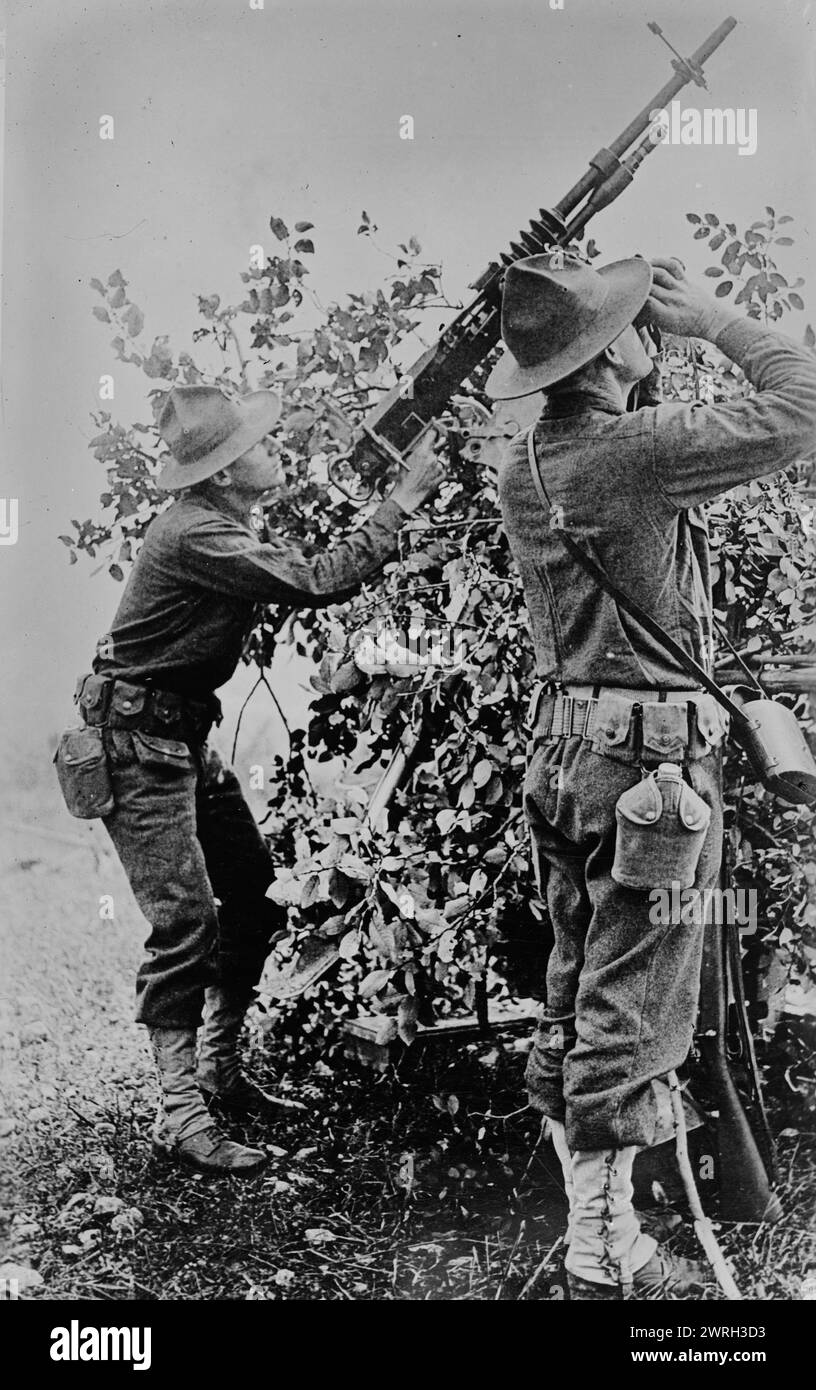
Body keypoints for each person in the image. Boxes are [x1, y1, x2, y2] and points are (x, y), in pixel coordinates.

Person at [487, 252, 816, 1298]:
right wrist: (715, 318)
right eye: (634, 325)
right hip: (652, 776)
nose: (651, 333)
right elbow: (805, 404)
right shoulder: (636, 454)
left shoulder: (530, 463)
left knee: (577, 991)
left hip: (568, 757)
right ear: (604, 356)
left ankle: (597, 1221)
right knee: (633, 1009)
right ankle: (602, 1250)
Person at [69, 385, 443, 1176]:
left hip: (176, 739)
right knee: (184, 925)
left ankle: (220, 1071)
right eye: (260, 446)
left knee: (253, 889)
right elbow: (315, 580)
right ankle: (181, 1113)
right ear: (226, 473)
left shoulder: (220, 524)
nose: (276, 452)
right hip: (137, 747)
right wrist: (403, 499)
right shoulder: (199, 532)